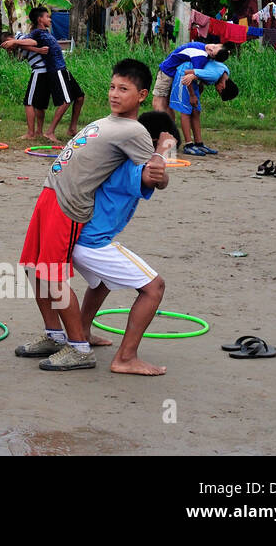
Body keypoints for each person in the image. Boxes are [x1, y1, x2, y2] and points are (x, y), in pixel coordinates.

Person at [15, 59, 160, 372]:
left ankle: (79, 348)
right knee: (35, 269)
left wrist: (164, 151)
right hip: (48, 194)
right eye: (112, 87)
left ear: (142, 95)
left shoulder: (136, 131)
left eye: (124, 89)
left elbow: (153, 174)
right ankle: (55, 335)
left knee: (52, 275)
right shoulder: (106, 121)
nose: (114, 94)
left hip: (68, 205)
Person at [72, 110, 178, 375]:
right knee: (154, 287)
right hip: (91, 243)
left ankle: (82, 332)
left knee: (104, 281)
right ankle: (126, 358)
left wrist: (162, 155)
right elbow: (154, 175)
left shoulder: (122, 155)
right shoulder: (133, 162)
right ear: (149, 142)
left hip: (80, 239)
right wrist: (163, 149)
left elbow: (161, 179)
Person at [3, 7, 84, 141]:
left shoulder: (46, 32)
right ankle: (49, 132)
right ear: (40, 19)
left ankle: (72, 129)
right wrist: (15, 42)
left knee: (80, 97)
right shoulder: (37, 33)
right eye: (47, 16)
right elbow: (29, 42)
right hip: (55, 69)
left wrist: (35, 49)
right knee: (66, 101)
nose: (50, 19)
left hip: (63, 68)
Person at [171, 59, 237, 155]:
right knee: (186, 110)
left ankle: (199, 143)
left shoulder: (225, 73)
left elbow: (204, 70)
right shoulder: (215, 75)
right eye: (219, 91)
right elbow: (187, 73)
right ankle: (188, 145)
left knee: (196, 111)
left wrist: (200, 86)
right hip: (184, 75)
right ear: (223, 86)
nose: (217, 90)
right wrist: (192, 95)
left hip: (193, 79)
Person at [151, 41, 230, 115]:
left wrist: (192, 95)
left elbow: (191, 77)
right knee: (168, 104)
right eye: (215, 46)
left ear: (212, 57)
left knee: (158, 100)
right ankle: (169, 128)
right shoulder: (203, 52)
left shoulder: (200, 56)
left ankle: (161, 127)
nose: (210, 48)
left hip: (167, 71)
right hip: (173, 71)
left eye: (212, 53)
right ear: (219, 44)